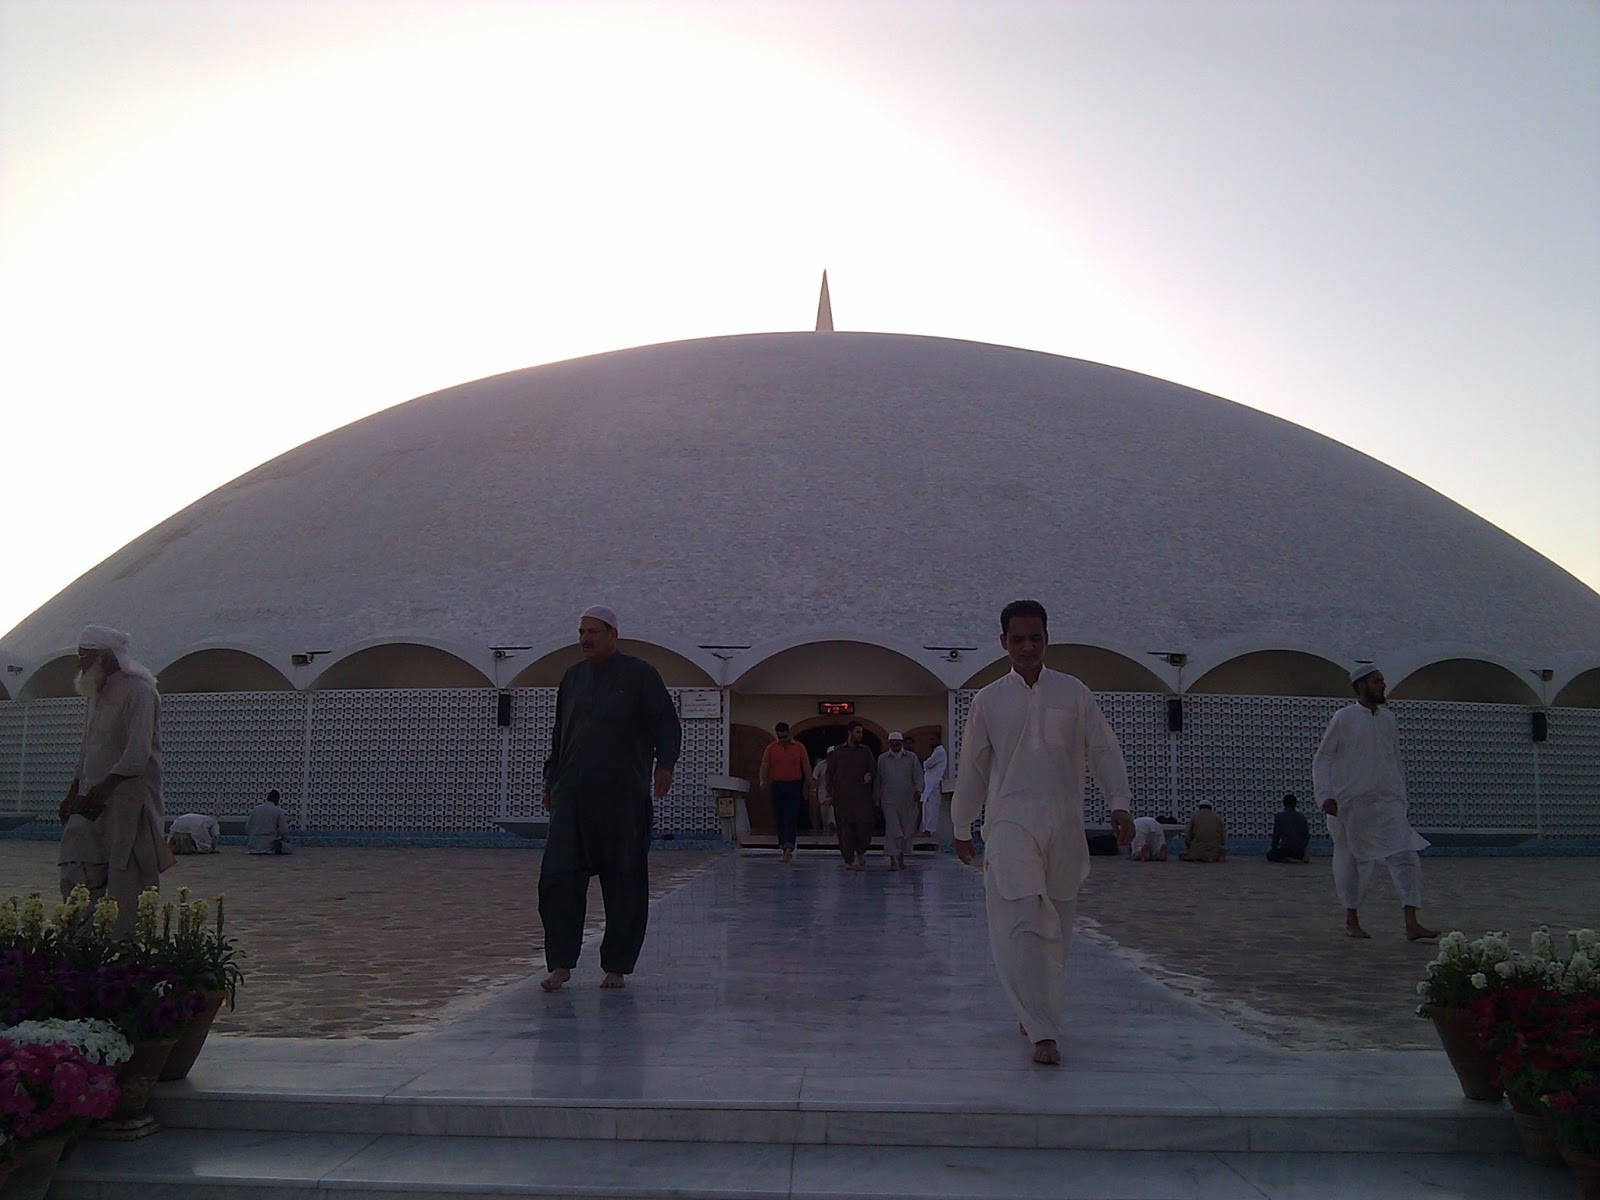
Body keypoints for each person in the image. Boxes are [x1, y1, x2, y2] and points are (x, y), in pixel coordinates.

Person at [953, 600, 1136, 1066]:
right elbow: (973, 767)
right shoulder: (988, 700)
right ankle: (1042, 1031)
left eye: (1036, 638)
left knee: (1057, 923)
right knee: (1023, 921)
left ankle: (1035, 1009)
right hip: (1010, 821)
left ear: (1047, 638)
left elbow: (1103, 750)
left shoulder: (1074, 693)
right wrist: (961, 823)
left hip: (1064, 823)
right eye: (1018, 640)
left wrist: (1119, 802)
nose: (1028, 647)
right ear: (1003, 643)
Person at [539, 605, 681, 991]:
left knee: (624, 880)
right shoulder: (572, 678)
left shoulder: (640, 675)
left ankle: (616, 965)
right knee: (559, 877)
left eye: (594, 632)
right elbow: (560, 733)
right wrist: (551, 779)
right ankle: (561, 964)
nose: (585, 638)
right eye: (582, 631)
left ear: (613, 634)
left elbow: (666, 722)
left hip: (622, 797)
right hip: (572, 794)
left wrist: (664, 765)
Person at [57, 625, 173, 938]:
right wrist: (74, 791)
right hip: (90, 798)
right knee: (77, 867)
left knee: (126, 876)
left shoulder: (139, 691)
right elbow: (88, 748)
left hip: (127, 800)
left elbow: (137, 753)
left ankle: (123, 951)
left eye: (86, 658)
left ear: (106, 659)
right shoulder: (96, 691)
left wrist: (105, 788)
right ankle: (80, 942)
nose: (80, 665)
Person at [1314, 665, 1439, 941]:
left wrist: (1400, 797)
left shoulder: (1388, 719)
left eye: (1382, 680)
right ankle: (1351, 920)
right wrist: (1325, 796)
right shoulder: (1344, 717)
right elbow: (1323, 758)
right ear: (1361, 686)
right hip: (1350, 805)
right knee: (1353, 861)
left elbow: (1394, 759)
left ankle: (1411, 922)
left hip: (1387, 802)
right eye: (1377, 681)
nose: (1383, 685)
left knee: (1406, 856)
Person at [825, 722, 877, 870]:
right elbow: (829, 775)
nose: (860, 735)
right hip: (842, 797)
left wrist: (870, 775)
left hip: (862, 797)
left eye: (861, 732)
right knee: (845, 830)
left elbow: (873, 768)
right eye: (858, 732)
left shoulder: (866, 752)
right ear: (850, 733)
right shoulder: (838, 752)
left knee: (864, 826)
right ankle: (848, 859)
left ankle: (860, 851)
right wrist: (829, 794)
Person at [759, 722, 811, 862]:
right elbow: (765, 765)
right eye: (780, 737)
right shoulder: (771, 748)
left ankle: (789, 848)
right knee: (779, 817)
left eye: (785, 736)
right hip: (777, 785)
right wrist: (762, 780)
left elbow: (806, 766)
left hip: (793, 785)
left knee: (790, 816)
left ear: (789, 733)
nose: (783, 740)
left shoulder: (799, 748)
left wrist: (809, 785)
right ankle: (783, 846)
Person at [874, 731, 924, 871]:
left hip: (907, 799)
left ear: (901, 743)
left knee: (906, 830)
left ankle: (901, 857)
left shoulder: (911, 758)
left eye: (897, 744)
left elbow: (918, 776)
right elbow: (879, 780)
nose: (895, 746)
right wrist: (876, 799)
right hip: (888, 800)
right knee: (893, 829)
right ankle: (892, 860)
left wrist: (918, 791)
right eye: (892, 744)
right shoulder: (882, 759)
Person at [1266, 793, 1311, 863]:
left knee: (1270, 855)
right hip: (1299, 852)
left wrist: (1273, 850)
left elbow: (1276, 836)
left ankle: (1286, 859)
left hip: (1285, 850)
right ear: (1295, 804)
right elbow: (1306, 837)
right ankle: (1294, 858)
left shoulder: (1279, 817)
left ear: (1284, 804)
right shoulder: (1302, 817)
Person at [918, 733, 947, 839]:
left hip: (934, 784)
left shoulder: (940, 752)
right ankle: (925, 829)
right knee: (927, 808)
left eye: (933, 739)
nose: (931, 742)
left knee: (931, 809)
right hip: (929, 784)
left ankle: (929, 831)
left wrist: (925, 763)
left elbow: (927, 764)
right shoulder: (936, 752)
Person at [246, 790, 293, 854]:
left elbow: (248, 827)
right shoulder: (278, 811)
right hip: (269, 845)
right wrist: (287, 840)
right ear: (277, 800)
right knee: (288, 847)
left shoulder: (255, 809)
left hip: (253, 844)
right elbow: (283, 831)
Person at [812, 747, 835, 832]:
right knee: (824, 817)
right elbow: (814, 778)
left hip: (836, 794)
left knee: (833, 815)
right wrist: (814, 792)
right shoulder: (821, 765)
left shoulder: (841, 764)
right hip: (823, 795)